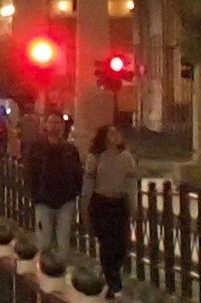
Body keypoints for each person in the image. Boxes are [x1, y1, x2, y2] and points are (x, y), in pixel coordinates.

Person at [24, 112, 82, 266]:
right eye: (51, 121)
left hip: (65, 202)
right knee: (44, 242)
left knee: (63, 244)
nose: (54, 125)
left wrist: (74, 192)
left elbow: (77, 172)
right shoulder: (37, 148)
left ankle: (60, 272)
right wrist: (35, 195)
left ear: (62, 126)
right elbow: (30, 173)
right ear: (46, 125)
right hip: (43, 200)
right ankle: (45, 273)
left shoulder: (70, 149)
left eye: (58, 122)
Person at [86, 122, 139, 285]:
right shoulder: (95, 157)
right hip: (101, 203)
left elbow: (131, 183)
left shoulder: (126, 157)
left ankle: (112, 274)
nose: (115, 136)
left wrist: (133, 205)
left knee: (121, 244)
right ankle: (112, 281)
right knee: (107, 243)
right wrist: (85, 204)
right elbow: (88, 182)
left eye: (116, 133)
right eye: (111, 133)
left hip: (119, 204)